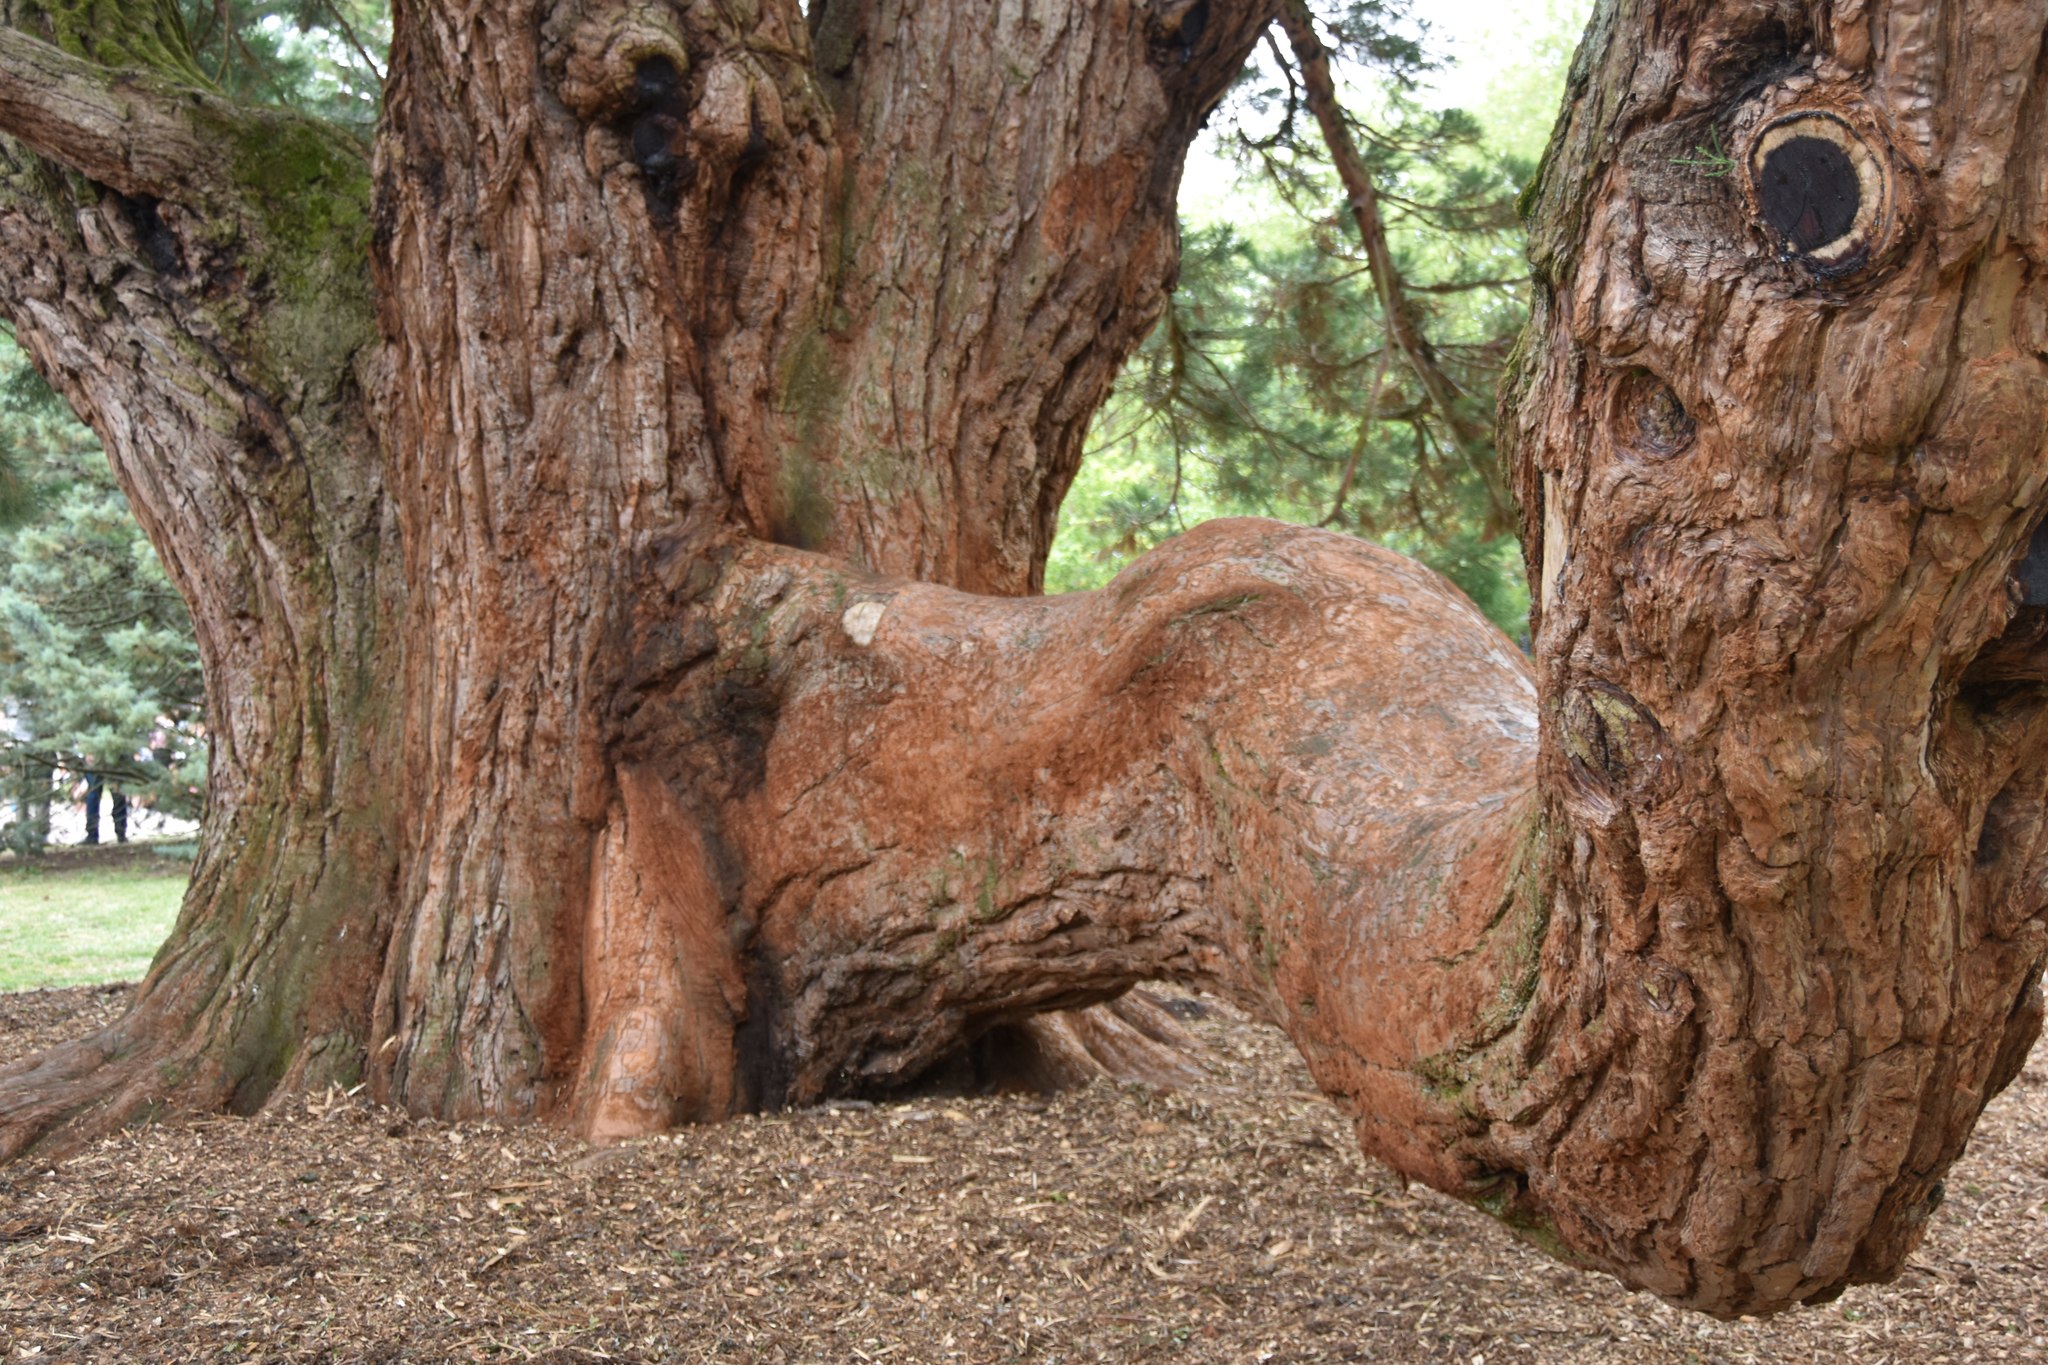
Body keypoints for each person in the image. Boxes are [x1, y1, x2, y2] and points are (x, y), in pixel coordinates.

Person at [82, 771, 127, 845]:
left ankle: (92, 835)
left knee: (94, 792)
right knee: (117, 791)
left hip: (95, 764)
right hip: (110, 765)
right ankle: (121, 833)